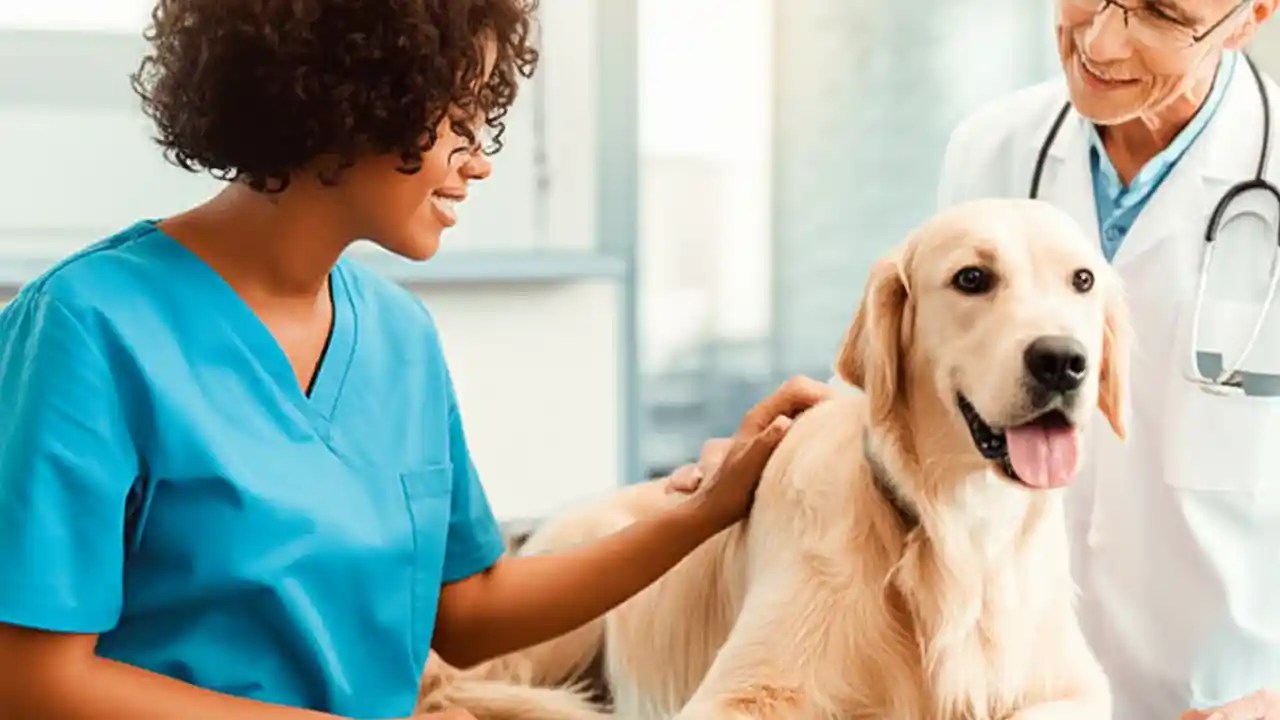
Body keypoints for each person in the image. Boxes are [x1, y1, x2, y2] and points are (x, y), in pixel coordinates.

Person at [0, 1, 833, 718]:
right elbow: (31, 682)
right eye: (457, 119)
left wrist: (703, 513)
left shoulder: (400, 338)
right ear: (349, 98)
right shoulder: (86, 329)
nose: (480, 159)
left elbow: (469, 608)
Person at [933, 1, 1280, 718]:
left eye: (1160, 14)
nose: (1100, 40)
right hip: (1020, 693)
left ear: (1252, 17)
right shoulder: (990, 149)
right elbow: (926, 403)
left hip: (1226, 693)